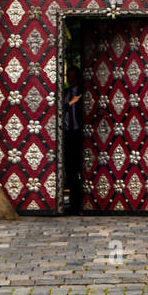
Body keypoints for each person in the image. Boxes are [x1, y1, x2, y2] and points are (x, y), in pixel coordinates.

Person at [64, 66, 83, 213]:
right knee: (69, 169)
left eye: (73, 76)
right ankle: (71, 204)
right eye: (68, 76)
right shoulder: (65, 94)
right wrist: (69, 103)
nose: (71, 79)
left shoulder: (84, 94)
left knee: (79, 168)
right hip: (66, 135)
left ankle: (80, 204)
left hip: (79, 135)